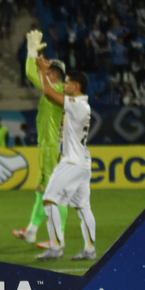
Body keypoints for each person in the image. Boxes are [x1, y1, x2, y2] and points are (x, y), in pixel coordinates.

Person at [33, 60, 97, 261]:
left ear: (76, 86)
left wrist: (43, 72)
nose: (64, 85)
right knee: (83, 207)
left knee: (49, 200)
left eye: (67, 83)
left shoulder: (77, 104)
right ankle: (89, 250)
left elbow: (49, 94)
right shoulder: (83, 105)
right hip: (83, 161)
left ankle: (56, 247)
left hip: (71, 162)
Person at [13, 30, 68, 247]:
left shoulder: (57, 90)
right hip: (49, 147)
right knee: (41, 191)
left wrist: (31, 52)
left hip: (53, 147)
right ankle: (32, 231)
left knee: (55, 194)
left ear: (54, 73)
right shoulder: (54, 89)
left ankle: (59, 238)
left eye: (47, 70)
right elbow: (31, 73)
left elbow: (30, 73)